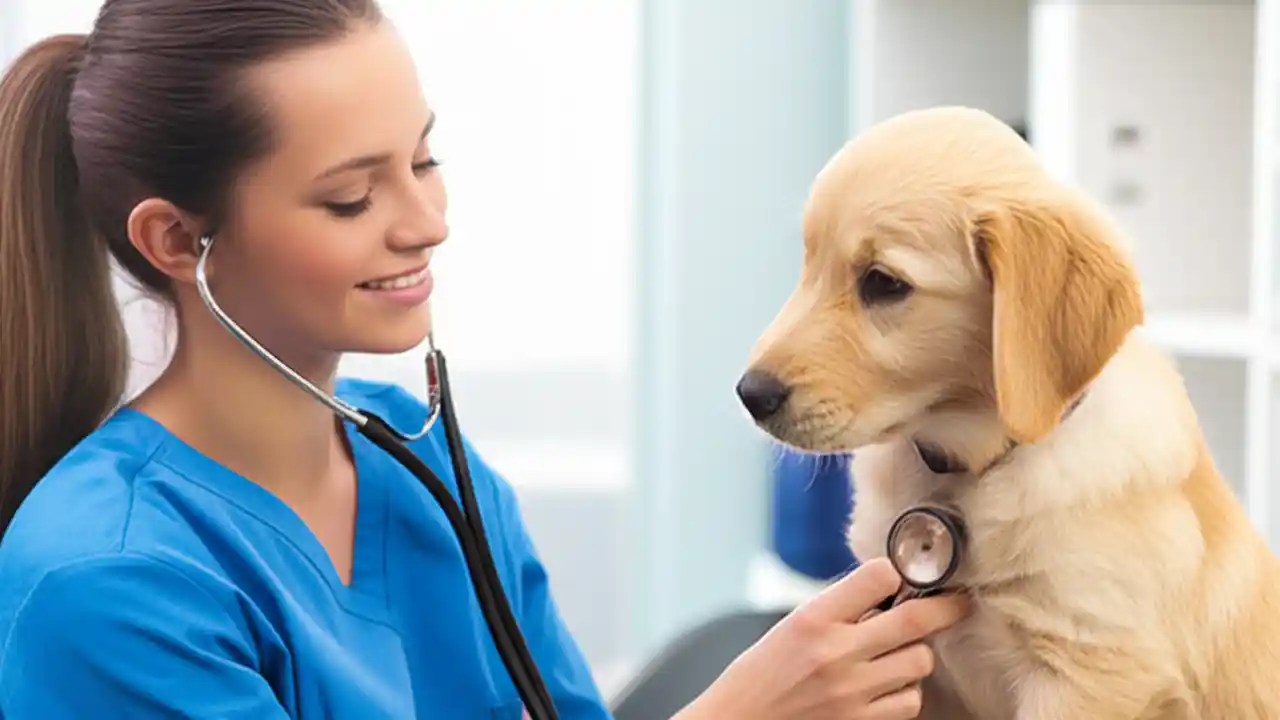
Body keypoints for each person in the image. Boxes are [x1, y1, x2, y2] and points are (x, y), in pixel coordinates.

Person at [0, 1, 971, 718]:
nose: (427, 223)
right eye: (349, 198)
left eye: (421, 161)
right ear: (176, 241)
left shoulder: (436, 477)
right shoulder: (105, 585)